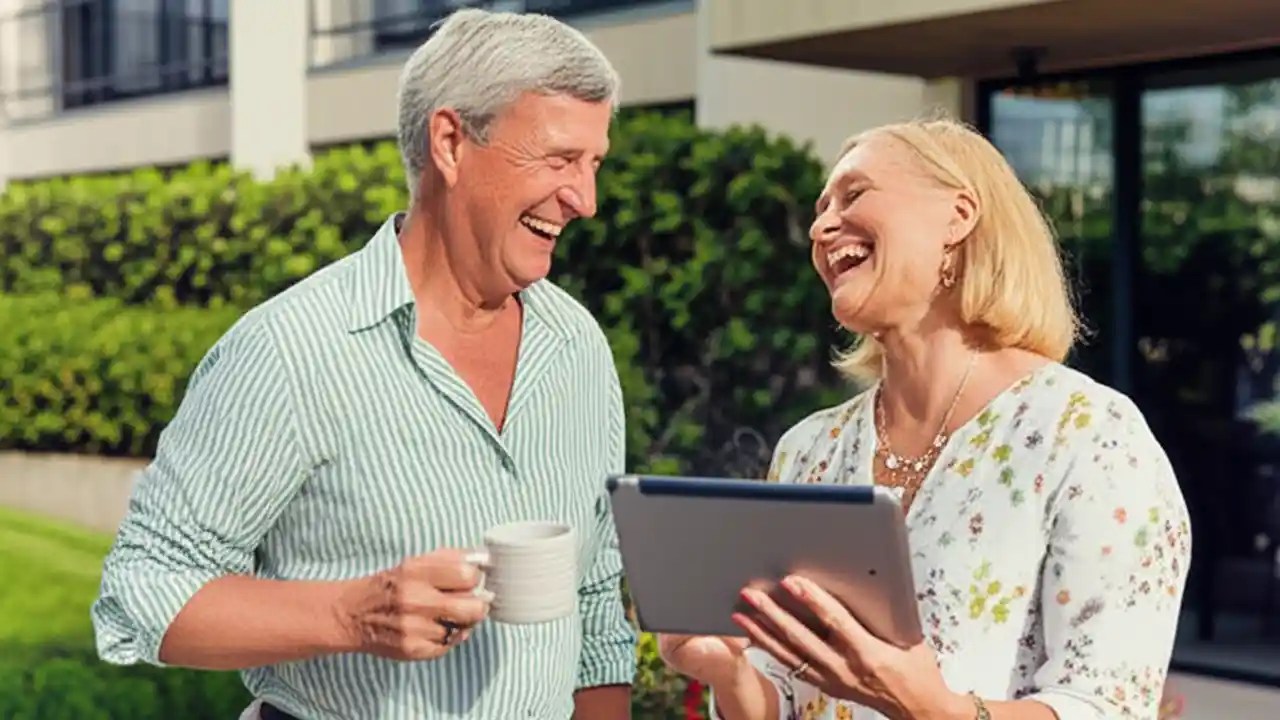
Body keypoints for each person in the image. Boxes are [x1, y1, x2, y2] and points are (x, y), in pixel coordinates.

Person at [91, 8, 636, 720]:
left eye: (593, 165)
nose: (585, 202)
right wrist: (348, 615)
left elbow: (594, 602)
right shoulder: (293, 349)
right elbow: (142, 589)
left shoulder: (578, 348)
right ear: (450, 142)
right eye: (560, 160)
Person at [658, 117, 1192, 720]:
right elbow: (783, 696)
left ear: (958, 216)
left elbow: (1107, 706)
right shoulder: (809, 450)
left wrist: (929, 706)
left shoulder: (1089, 435)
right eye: (820, 207)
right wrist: (729, 672)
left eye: (853, 194)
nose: (820, 225)